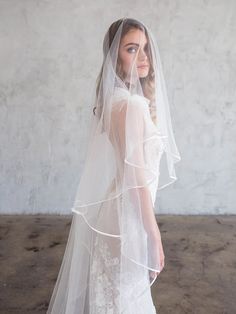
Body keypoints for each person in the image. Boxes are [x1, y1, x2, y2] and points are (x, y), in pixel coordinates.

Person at [46, 18, 181, 314]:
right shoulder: (131, 107)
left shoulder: (116, 101)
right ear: (114, 57)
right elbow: (136, 182)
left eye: (146, 48)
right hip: (127, 220)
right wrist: (154, 237)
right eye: (133, 49)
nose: (144, 57)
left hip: (115, 216)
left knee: (116, 301)